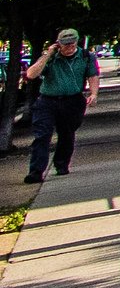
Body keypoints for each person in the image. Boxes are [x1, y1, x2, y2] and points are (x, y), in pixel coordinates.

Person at [23, 28, 99, 183]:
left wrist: (93, 93)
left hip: (72, 100)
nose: (69, 47)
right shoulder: (51, 58)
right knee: (42, 135)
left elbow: (92, 75)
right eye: (65, 44)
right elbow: (31, 74)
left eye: (72, 44)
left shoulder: (86, 56)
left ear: (77, 42)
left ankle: (61, 164)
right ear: (58, 44)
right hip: (47, 101)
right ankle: (36, 171)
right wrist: (48, 54)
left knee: (67, 133)